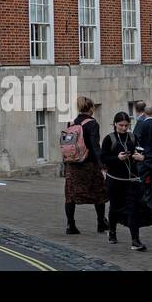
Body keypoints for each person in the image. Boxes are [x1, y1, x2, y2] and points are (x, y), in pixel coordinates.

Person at [101, 112, 152, 250]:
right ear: (115, 124)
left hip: (131, 180)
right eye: (121, 125)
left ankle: (135, 240)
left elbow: (139, 152)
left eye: (126, 125)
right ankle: (112, 232)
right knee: (114, 207)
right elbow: (103, 159)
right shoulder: (109, 139)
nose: (124, 128)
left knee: (133, 209)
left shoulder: (132, 137)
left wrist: (140, 157)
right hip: (115, 180)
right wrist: (117, 158)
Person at [62, 95, 109, 235]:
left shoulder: (71, 123)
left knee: (70, 196)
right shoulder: (92, 123)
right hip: (89, 165)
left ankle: (71, 225)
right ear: (91, 108)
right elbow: (95, 146)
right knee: (99, 193)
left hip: (72, 165)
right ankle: (101, 223)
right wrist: (102, 164)